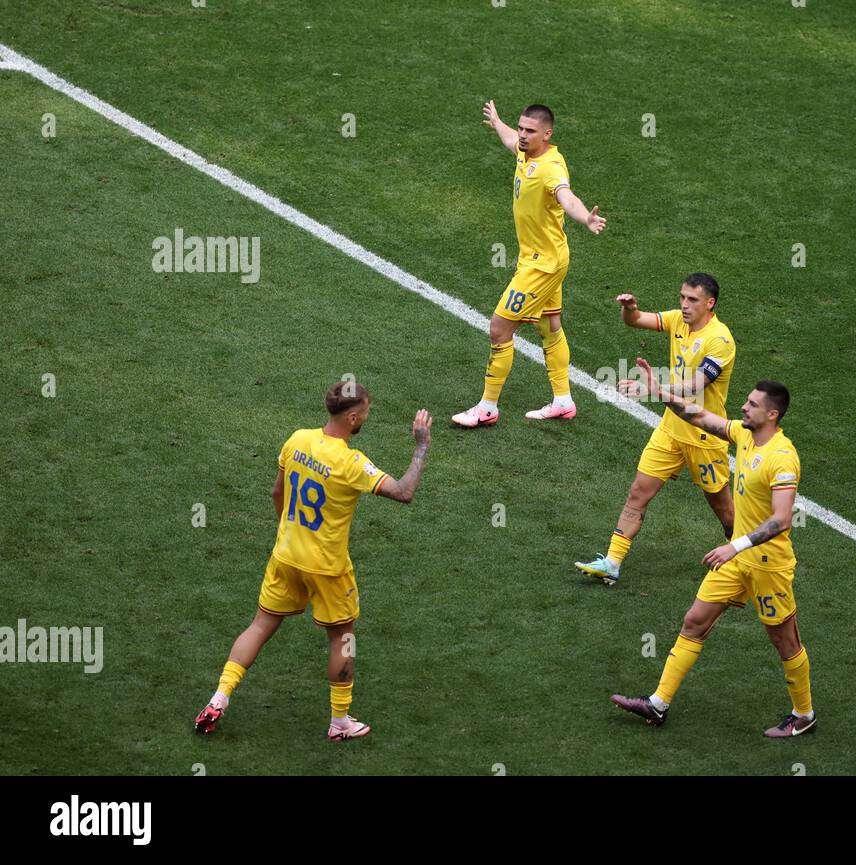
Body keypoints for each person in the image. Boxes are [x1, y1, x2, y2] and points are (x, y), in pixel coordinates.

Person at [194, 382, 432, 740]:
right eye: (366, 411)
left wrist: (289, 535)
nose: (366, 416)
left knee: (260, 626)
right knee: (342, 638)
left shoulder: (297, 439)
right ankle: (339, 722)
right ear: (352, 417)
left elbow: (278, 492)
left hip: (286, 555)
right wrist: (421, 447)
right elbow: (404, 491)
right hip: (328, 569)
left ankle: (219, 698)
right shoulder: (351, 463)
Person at [611, 360, 814, 737]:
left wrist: (734, 546)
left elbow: (781, 520)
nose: (742, 407)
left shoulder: (782, 457)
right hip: (738, 562)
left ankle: (803, 715)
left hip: (768, 566)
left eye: (752, 404)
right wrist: (661, 393)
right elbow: (704, 418)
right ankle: (657, 705)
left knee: (783, 641)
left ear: (772, 413)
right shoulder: (747, 436)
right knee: (694, 621)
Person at [453, 101, 607, 428]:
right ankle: (563, 401)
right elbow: (510, 141)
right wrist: (497, 121)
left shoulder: (552, 167)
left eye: (530, 131)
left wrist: (585, 218)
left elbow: (567, 196)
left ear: (547, 134)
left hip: (542, 265)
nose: (522, 135)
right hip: (546, 257)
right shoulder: (526, 150)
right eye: (522, 128)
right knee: (550, 327)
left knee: (499, 328)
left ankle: (487, 407)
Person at [575, 274, 736, 585]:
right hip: (670, 429)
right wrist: (629, 308)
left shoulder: (720, 340)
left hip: (704, 435)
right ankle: (613, 561)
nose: (684, 305)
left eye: (692, 300)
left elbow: (695, 386)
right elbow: (635, 321)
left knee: (723, 508)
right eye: (682, 297)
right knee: (638, 492)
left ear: (710, 303)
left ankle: (742, 553)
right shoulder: (677, 321)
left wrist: (653, 388)